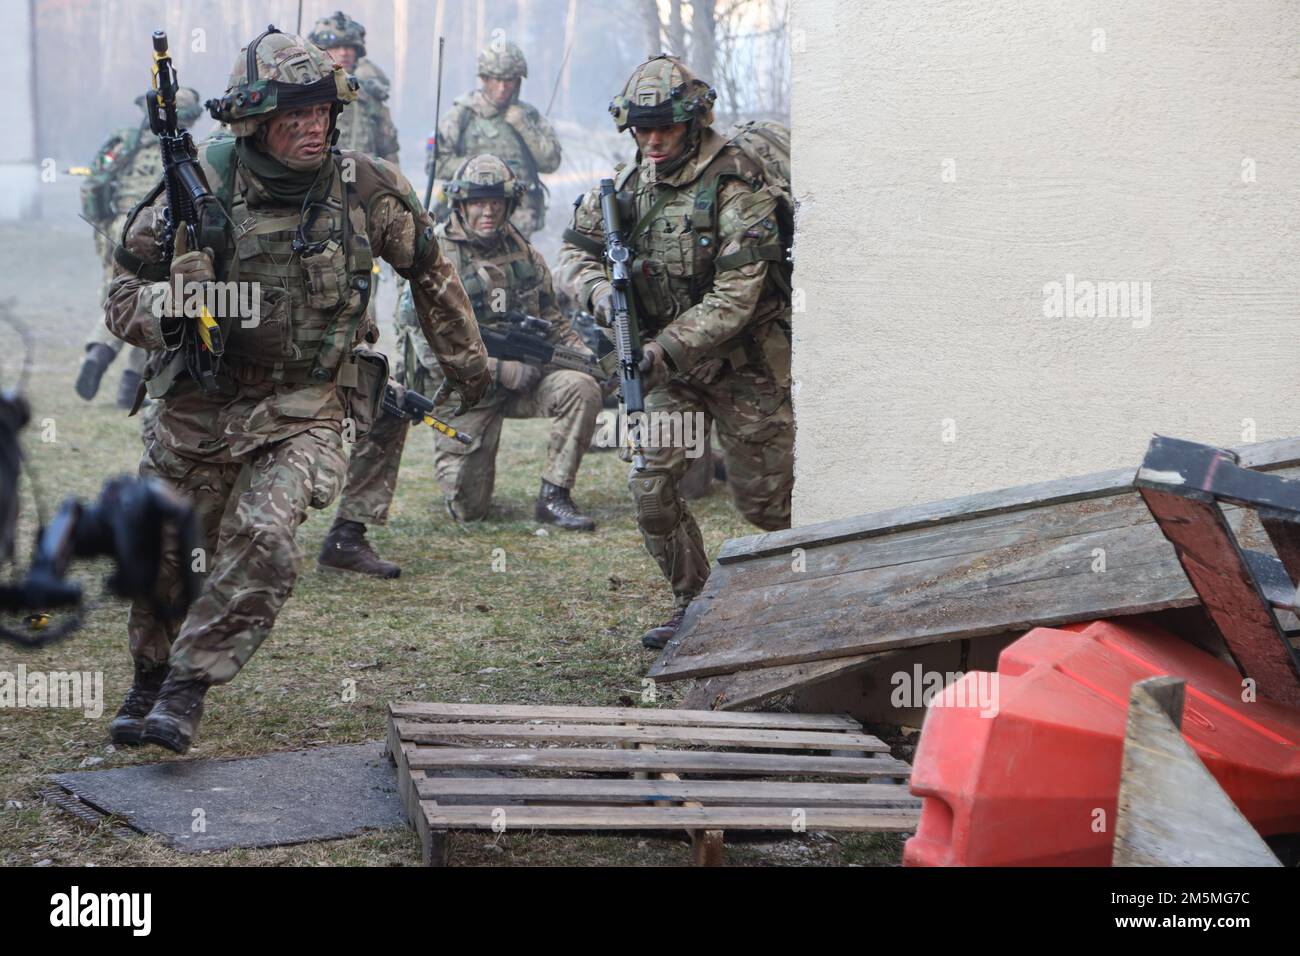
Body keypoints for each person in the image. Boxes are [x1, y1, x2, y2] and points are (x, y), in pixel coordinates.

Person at [103, 28, 489, 753]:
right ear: (255, 123)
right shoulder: (197, 191)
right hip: (200, 400)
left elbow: (433, 272)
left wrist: (470, 369)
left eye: (322, 112)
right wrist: (174, 308)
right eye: (294, 116)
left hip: (308, 403)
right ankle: (150, 677)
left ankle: (187, 687)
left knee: (267, 535)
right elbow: (121, 295)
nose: (314, 127)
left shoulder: (367, 189)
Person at [556, 55, 794, 649]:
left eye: (665, 128)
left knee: (767, 505)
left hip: (744, 368)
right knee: (652, 487)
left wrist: (663, 348)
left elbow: (736, 299)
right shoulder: (624, 190)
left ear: (694, 122)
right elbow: (571, 256)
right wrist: (600, 298)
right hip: (666, 371)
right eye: (643, 130)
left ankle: (816, 592)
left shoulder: (737, 187)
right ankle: (694, 606)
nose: (654, 141)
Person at [382, 153, 601, 530]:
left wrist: (585, 359)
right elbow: (427, 346)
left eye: (496, 202)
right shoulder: (432, 256)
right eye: (478, 202)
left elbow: (552, 319)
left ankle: (555, 495)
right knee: (471, 510)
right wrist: (499, 370)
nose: (488, 212)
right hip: (461, 390)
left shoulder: (524, 255)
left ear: (509, 205)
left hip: (526, 377)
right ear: (461, 205)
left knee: (582, 387)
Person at [76, 89, 201, 408]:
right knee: (150, 298)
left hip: (114, 226)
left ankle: (99, 355)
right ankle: (126, 379)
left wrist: (103, 222)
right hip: (152, 228)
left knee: (120, 295)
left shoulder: (123, 143)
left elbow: (94, 183)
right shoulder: (178, 149)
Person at [427, 39, 560, 237]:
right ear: (484, 79)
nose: (502, 87)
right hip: (470, 220)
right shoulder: (462, 114)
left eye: (509, 80)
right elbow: (435, 164)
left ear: (518, 82)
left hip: (517, 223)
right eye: (496, 80)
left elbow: (550, 162)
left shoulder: (528, 116)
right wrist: (479, 170)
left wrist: (524, 127)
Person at [307, 10, 400, 165]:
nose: (344, 53)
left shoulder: (369, 96)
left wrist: (394, 185)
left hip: (364, 179)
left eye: (350, 47)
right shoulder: (306, 93)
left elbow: (388, 151)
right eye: (336, 47)